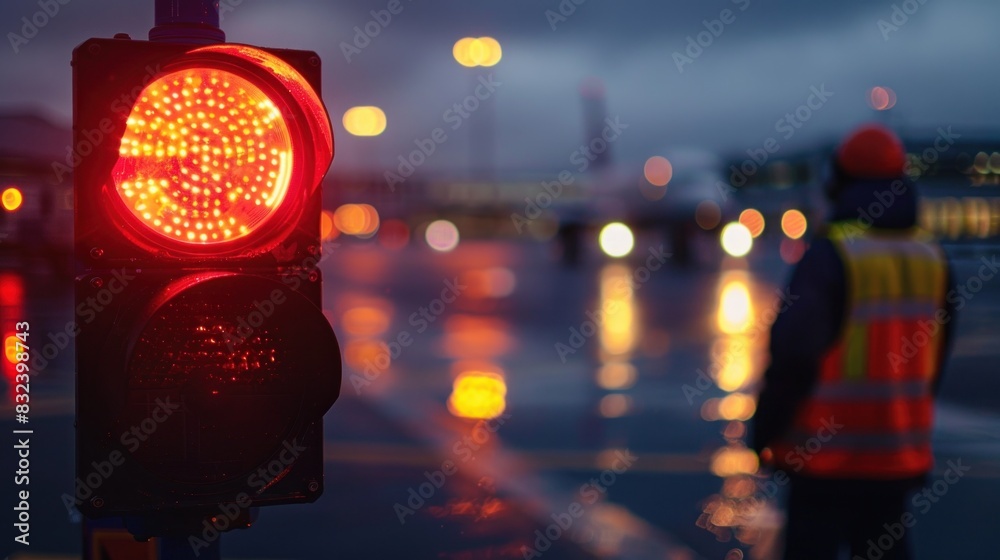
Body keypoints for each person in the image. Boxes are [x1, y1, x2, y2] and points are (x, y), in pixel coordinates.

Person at [751, 123, 956, 560]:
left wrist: (764, 430)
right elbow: (933, 364)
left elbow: (794, 355)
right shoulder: (932, 257)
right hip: (896, 460)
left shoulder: (831, 255)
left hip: (822, 462)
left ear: (837, 183)